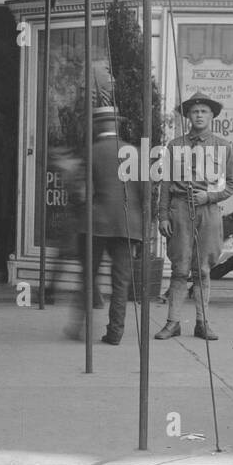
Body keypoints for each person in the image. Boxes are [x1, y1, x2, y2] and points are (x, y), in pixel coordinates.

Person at [155, 95, 233, 341]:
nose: (199, 115)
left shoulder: (223, 147)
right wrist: (162, 216)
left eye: (203, 111)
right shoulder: (174, 146)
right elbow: (166, 183)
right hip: (180, 211)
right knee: (180, 268)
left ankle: (202, 323)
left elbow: (232, 184)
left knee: (202, 270)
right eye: (194, 112)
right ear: (188, 117)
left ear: (212, 116)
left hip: (208, 213)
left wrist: (210, 196)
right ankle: (173, 322)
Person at [67, 108, 144, 345]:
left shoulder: (91, 152)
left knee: (88, 277)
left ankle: (82, 329)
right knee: (120, 282)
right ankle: (115, 333)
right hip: (126, 224)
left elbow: (78, 191)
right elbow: (145, 191)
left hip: (95, 223)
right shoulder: (133, 151)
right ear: (117, 125)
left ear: (98, 126)